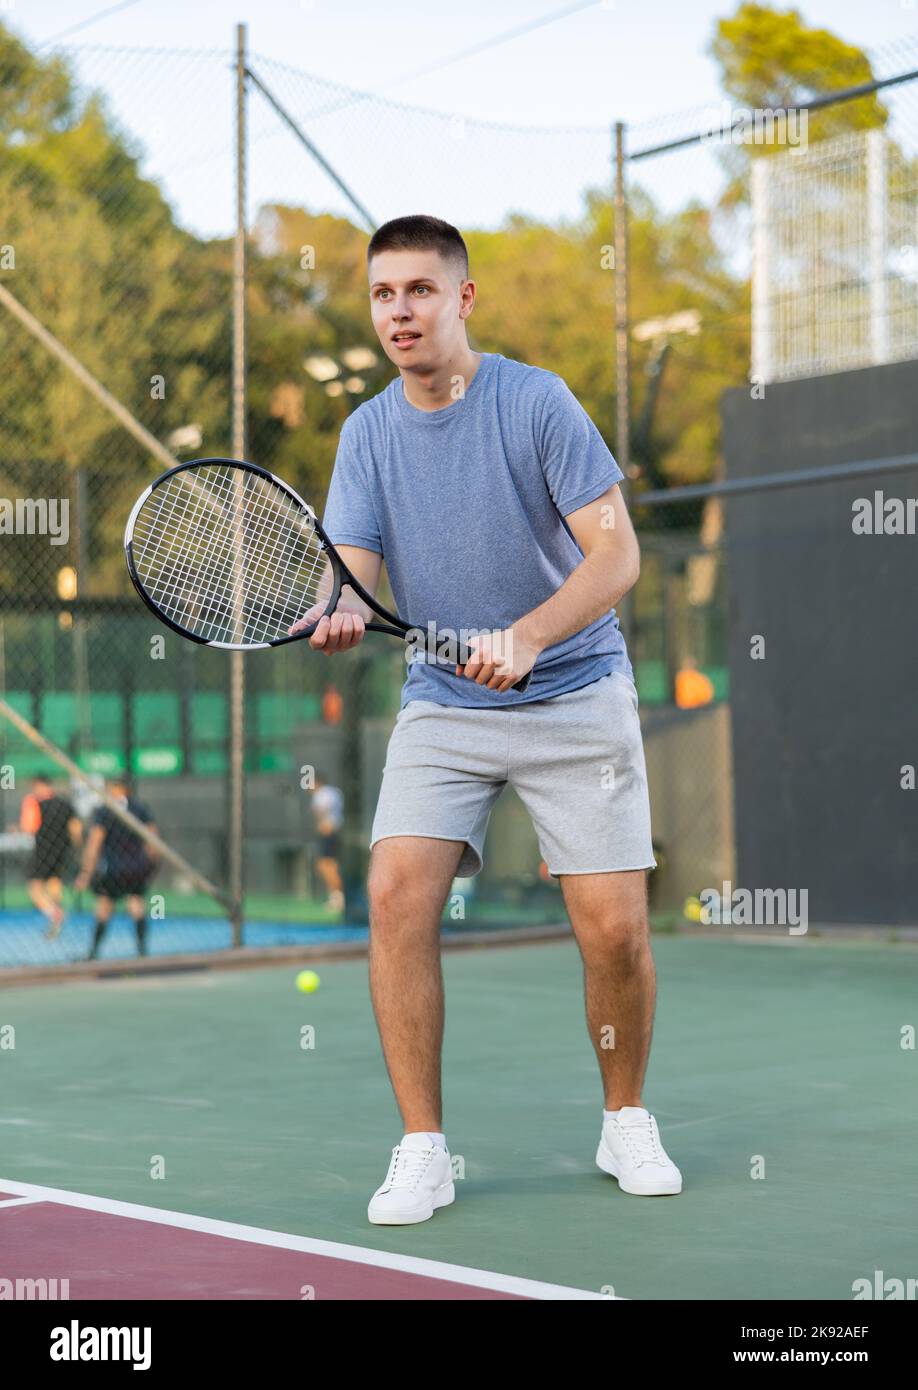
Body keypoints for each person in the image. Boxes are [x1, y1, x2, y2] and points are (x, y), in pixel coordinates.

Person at [290, 214, 682, 1224]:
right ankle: (424, 1146)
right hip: (445, 702)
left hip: (577, 687)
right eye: (383, 294)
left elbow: (618, 556)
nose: (399, 311)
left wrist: (529, 636)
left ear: (462, 298)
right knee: (394, 892)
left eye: (419, 290)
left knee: (615, 932)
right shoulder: (367, 432)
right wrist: (338, 613)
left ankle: (624, 1116)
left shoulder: (536, 403)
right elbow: (357, 576)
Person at [74, 776, 158, 960]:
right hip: (136, 867)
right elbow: (152, 840)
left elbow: (95, 842)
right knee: (136, 905)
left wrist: (86, 871)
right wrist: (151, 864)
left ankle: (93, 952)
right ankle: (142, 951)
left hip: (112, 868)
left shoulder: (105, 811)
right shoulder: (140, 809)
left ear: (116, 788)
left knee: (104, 907)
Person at [19, 774, 82, 939]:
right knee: (55, 884)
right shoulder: (65, 803)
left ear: (39, 785)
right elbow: (76, 829)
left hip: (43, 851)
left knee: (35, 888)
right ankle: (55, 923)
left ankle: (55, 914)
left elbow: (28, 827)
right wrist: (74, 850)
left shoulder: (34, 802)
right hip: (62, 852)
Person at [311, 776, 345, 913]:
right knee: (326, 865)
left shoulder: (322, 794)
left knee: (327, 865)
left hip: (328, 831)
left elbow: (321, 809)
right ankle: (336, 897)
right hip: (333, 831)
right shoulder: (334, 792)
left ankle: (339, 898)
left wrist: (321, 820)